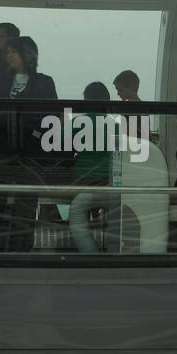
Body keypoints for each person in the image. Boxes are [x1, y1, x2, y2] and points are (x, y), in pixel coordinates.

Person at [0, 35, 58, 251]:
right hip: (2, 151)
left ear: (27, 54)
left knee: (25, 209)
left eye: (13, 51)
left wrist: (36, 136)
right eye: (7, 52)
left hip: (30, 154)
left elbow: (54, 116)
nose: (9, 55)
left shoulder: (44, 82)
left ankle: (19, 252)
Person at [68, 82, 122, 253]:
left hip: (83, 181)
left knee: (76, 208)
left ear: (87, 100)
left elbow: (57, 144)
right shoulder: (116, 125)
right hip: (109, 182)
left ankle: (90, 253)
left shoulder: (79, 122)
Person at [113, 69, 148, 142]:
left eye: (120, 90)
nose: (118, 93)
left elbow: (127, 134)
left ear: (131, 87)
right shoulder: (145, 107)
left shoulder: (129, 108)